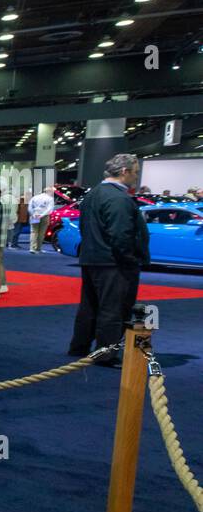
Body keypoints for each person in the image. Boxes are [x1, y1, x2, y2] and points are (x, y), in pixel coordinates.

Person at [67, 153, 150, 360]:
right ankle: (106, 354)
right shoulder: (119, 199)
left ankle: (79, 347)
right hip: (113, 262)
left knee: (89, 306)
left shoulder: (93, 194)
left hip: (93, 258)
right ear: (124, 172)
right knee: (114, 308)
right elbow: (121, 235)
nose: (136, 178)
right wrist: (130, 259)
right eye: (135, 173)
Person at [27, 185, 55, 253]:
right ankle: (38, 248)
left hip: (34, 215)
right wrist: (42, 215)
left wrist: (33, 214)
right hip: (44, 216)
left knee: (33, 232)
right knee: (41, 233)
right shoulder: (50, 198)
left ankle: (32, 248)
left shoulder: (35, 197)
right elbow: (49, 209)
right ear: (49, 191)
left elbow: (29, 207)